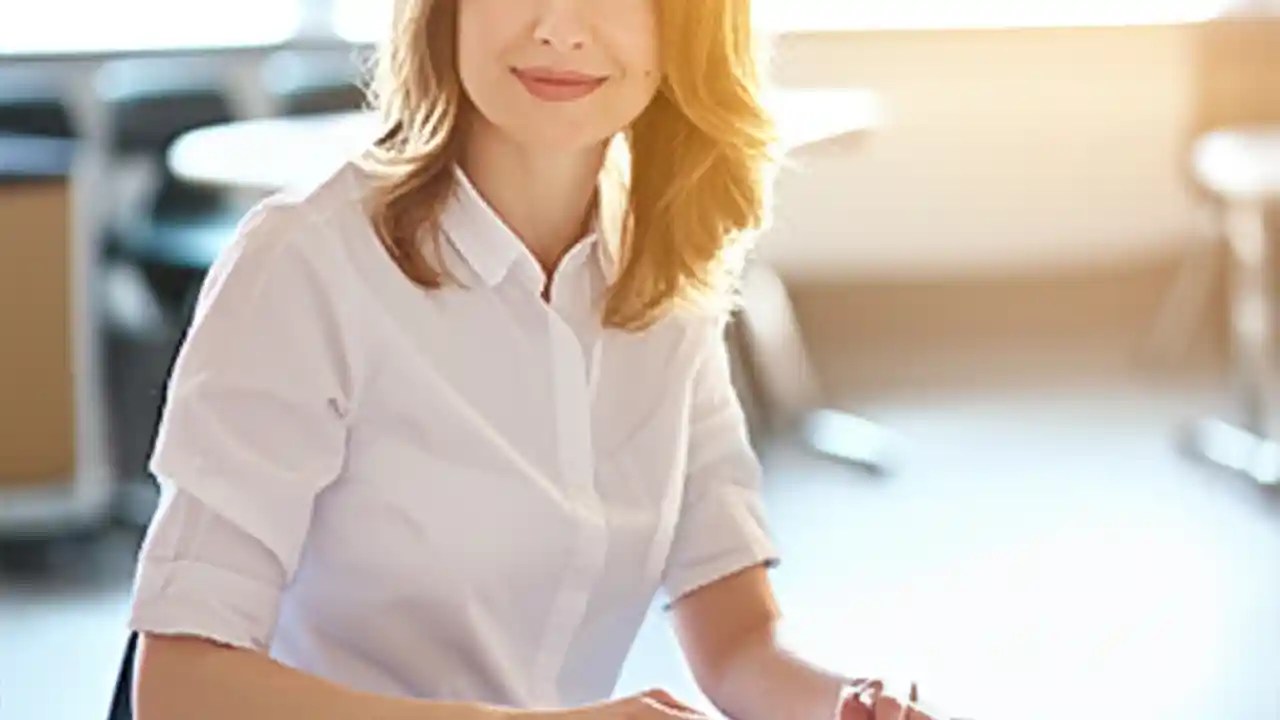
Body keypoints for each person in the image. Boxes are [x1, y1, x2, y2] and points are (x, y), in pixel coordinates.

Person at [126, 1, 935, 718]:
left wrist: (843, 707)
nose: (558, 26)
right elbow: (180, 688)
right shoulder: (306, 263)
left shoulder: (665, 272)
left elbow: (739, 640)